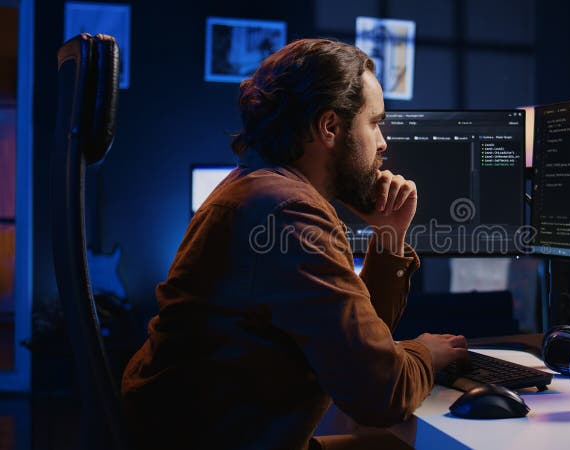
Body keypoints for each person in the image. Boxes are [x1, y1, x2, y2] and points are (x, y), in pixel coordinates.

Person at [121, 38, 469, 450]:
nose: (383, 143)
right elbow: (380, 394)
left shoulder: (258, 190)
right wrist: (426, 353)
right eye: (374, 123)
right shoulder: (287, 212)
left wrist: (389, 235)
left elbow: (359, 351)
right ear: (329, 128)